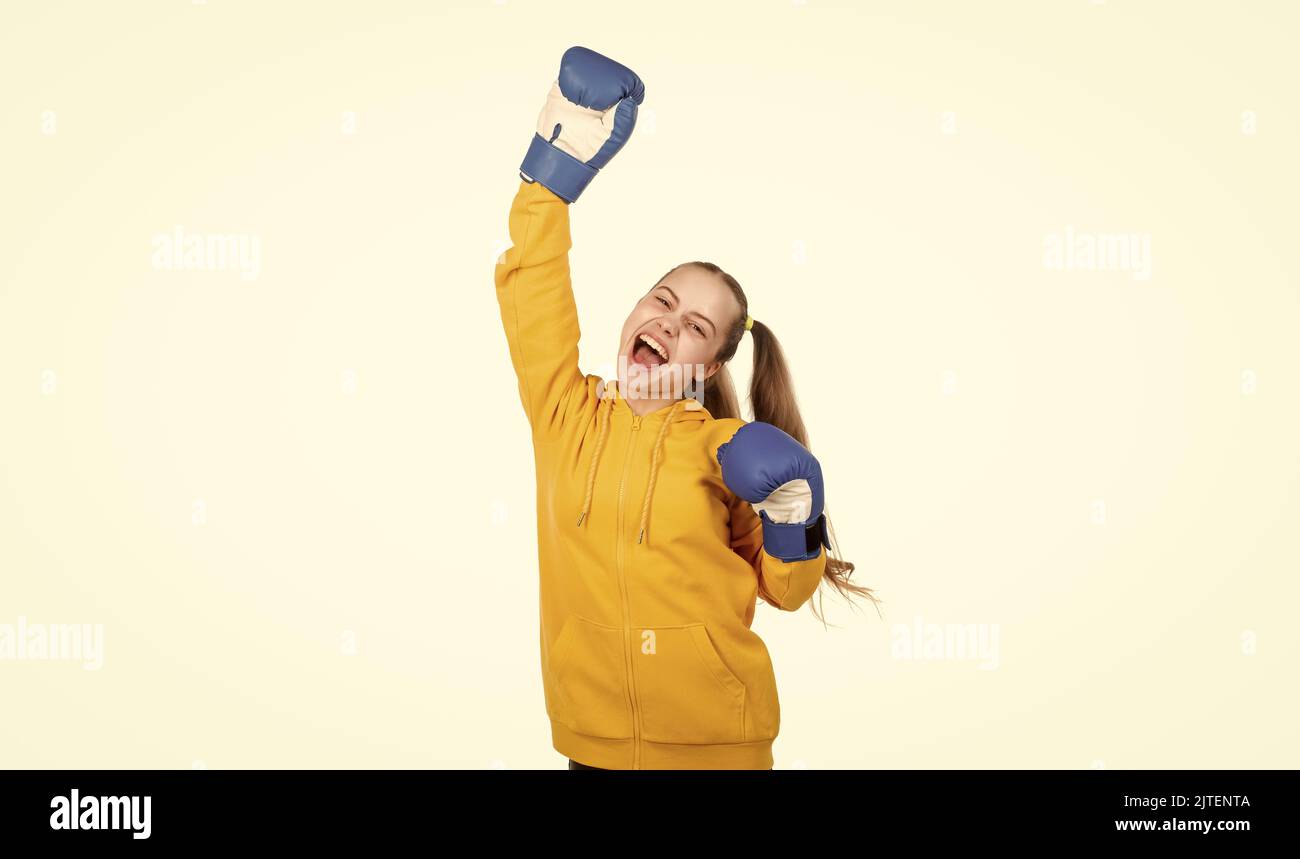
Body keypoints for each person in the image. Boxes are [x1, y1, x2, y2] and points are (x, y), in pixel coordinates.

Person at [494, 46, 878, 771]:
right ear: (637, 308)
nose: (670, 323)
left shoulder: (727, 452)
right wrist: (553, 173)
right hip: (591, 742)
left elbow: (785, 591)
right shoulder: (563, 414)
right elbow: (530, 288)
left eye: (697, 327)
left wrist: (795, 513)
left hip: (719, 747)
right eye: (664, 302)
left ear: (710, 366)